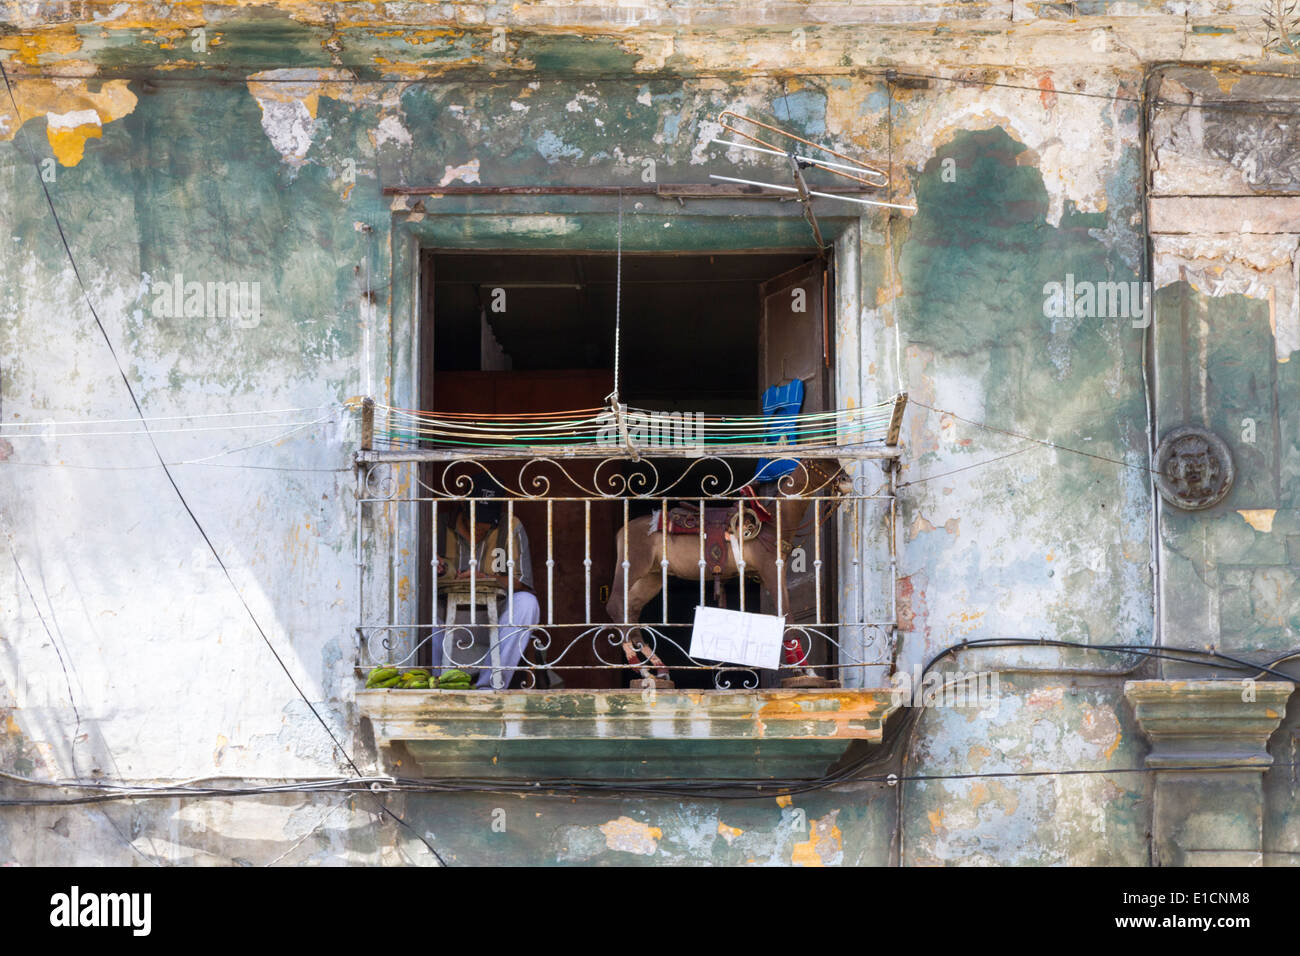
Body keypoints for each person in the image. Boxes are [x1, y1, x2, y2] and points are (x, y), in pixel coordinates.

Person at [431, 475, 539, 689]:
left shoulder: (511, 527)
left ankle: (490, 686)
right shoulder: (439, 525)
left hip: (495, 618)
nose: (481, 525)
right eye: (475, 517)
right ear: (462, 504)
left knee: (527, 603)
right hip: (450, 618)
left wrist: (488, 579)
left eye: (488, 519)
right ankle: (443, 684)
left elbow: (523, 582)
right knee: (423, 606)